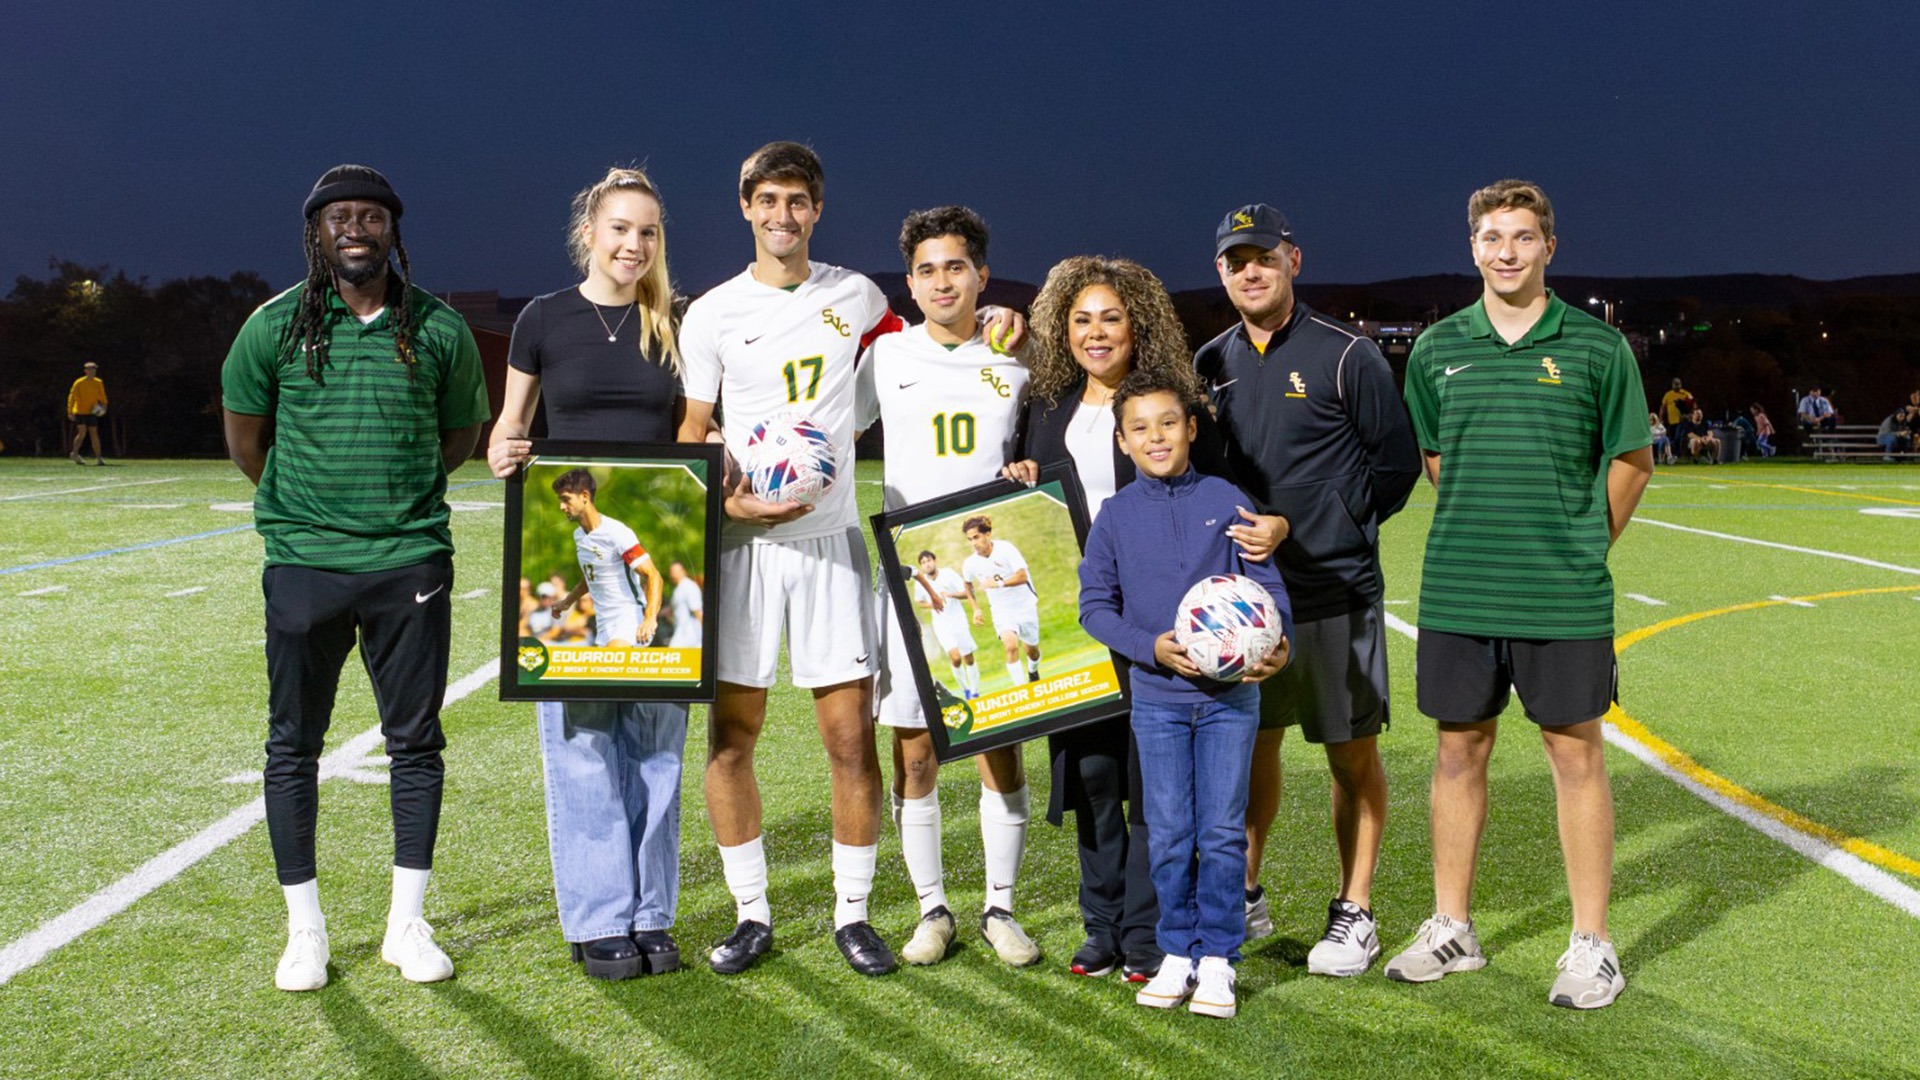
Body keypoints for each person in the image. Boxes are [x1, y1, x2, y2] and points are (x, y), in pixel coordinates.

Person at [674, 143, 1018, 976]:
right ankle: (752, 914)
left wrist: (1002, 322)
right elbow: (691, 434)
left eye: (798, 201)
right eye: (768, 201)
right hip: (745, 546)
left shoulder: (856, 295)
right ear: (745, 206)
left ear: (816, 210)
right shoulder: (713, 312)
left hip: (831, 545)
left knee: (850, 741)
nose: (782, 216)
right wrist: (731, 500)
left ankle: (852, 914)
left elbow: (934, 349)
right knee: (732, 737)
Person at [222, 164, 489, 992]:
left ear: (392, 230)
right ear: (317, 231)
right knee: (291, 746)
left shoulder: (438, 328)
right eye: (340, 216)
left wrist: (395, 506)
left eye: (371, 216)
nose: (356, 228)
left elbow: (459, 437)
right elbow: (247, 443)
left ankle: (406, 925)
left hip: (408, 562)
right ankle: (305, 931)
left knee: (415, 743)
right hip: (303, 562)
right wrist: (311, 516)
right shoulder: (272, 326)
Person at [1388, 179, 1652, 1010]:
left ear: (1549, 248)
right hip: (1461, 589)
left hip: (1562, 597)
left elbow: (1630, 461)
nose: (1506, 251)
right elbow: (1437, 460)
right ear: (1473, 248)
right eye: (1491, 237)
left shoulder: (1597, 349)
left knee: (1574, 757)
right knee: (1457, 751)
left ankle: (1591, 944)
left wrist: (1577, 546)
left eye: (1523, 237)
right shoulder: (1435, 350)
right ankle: (1452, 926)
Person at [1003, 255, 1281, 984]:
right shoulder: (1043, 405)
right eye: (1081, 319)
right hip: (1081, 622)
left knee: (1153, 788)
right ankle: (1102, 927)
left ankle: (1148, 933)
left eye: (1112, 317)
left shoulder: (1170, 403)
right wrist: (1018, 478)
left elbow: (1229, 500)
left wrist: (1273, 529)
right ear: (1061, 329)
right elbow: (1014, 499)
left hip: (1165, 627)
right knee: (1094, 778)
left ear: (1140, 326)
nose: (1096, 333)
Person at [1196, 203, 1421, 977]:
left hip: (1331, 591)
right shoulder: (1209, 361)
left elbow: (1390, 474)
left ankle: (1354, 909)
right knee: (1251, 749)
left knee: (1348, 754)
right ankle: (1245, 892)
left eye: (1263, 256)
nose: (1250, 270)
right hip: (1246, 600)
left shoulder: (1346, 354)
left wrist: (1304, 528)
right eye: (1235, 260)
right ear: (1220, 272)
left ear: (1294, 259)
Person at [486, 167, 690, 981]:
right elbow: (510, 431)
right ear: (589, 234)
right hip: (566, 548)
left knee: (657, 746)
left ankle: (652, 913)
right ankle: (600, 915)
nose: (633, 245)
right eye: (619, 229)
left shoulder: (675, 321)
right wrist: (502, 453)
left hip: (643, 545)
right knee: (581, 743)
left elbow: (695, 436)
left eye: (647, 233)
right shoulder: (542, 319)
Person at [853, 205, 1039, 968]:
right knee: (917, 750)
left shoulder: (1018, 364)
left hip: (986, 576)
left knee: (997, 739)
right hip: (908, 580)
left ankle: (1000, 907)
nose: (941, 281)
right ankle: (933, 910)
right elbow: (828, 422)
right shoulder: (887, 358)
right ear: (910, 282)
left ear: (982, 275)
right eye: (926, 269)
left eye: (955, 266)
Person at [1078, 368, 1292, 1019]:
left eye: (1169, 423)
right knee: (1169, 832)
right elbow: (1095, 608)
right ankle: (1176, 952)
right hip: (1158, 703)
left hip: (1229, 703)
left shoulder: (1228, 500)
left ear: (1192, 428)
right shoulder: (1114, 517)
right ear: (1122, 441)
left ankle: (1220, 958)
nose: (1156, 437)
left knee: (1223, 831)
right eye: (1140, 428)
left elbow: (1270, 592)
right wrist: (1151, 648)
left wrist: (1278, 647)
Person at [549, 469, 664, 648]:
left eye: (566, 499)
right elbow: (592, 575)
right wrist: (567, 602)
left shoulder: (616, 533)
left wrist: (650, 618)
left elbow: (653, 575)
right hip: (603, 625)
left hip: (629, 619)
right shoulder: (579, 535)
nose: (562, 507)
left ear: (584, 496)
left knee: (614, 669)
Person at [960, 515, 1042, 689]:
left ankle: (1033, 671)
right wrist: (975, 608)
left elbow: (1022, 576)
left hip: (1024, 606)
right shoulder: (970, 563)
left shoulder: (1006, 549)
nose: (973, 543)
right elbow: (967, 584)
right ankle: (1022, 691)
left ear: (987, 534)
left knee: (1032, 652)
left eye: (976, 537)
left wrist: (998, 583)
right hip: (1002, 611)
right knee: (1011, 646)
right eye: (970, 539)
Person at [909, 551, 980, 699]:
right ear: (921, 566)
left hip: (958, 621)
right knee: (955, 658)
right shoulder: (920, 583)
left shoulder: (948, 574)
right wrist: (932, 604)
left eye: (928, 560)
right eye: (923, 562)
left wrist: (951, 595)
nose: (927, 564)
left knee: (969, 658)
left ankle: (975, 692)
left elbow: (967, 592)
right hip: (942, 625)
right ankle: (965, 689)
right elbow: (919, 602)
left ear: (935, 561)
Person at [67, 361, 108, 465]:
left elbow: (102, 397)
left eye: (94, 369)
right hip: (80, 411)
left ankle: (99, 458)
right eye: (90, 369)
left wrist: (104, 407)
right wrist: (70, 411)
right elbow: (72, 397)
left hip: (92, 411)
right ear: (85, 371)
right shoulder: (79, 382)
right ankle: (75, 453)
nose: (93, 371)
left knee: (94, 433)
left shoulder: (98, 382)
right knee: (82, 433)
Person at [667, 561, 705, 649]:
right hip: (681, 630)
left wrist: (706, 632)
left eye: (676, 571)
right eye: (672, 571)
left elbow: (697, 611)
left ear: (683, 571)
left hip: (689, 632)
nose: (673, 574)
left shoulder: (689, 587)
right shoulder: (679, 588)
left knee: (672, 657)